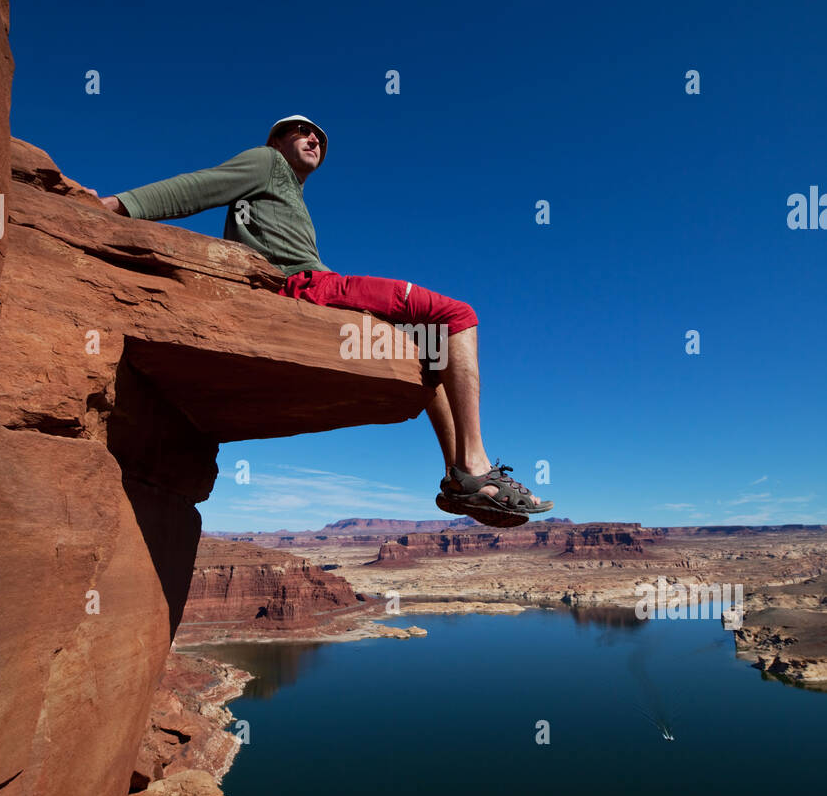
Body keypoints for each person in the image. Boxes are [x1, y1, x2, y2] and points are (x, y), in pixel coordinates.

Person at [85, 115, 553, 527]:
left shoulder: (288, 192)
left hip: (314, 283)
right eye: (301, 132)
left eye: (320, 138)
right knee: (456, 314)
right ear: (278, 142)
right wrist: (116, 205)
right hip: (306, 287)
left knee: (429, 346)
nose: (313, 139)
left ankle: (458, 477)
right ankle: (474, 462)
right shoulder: (265, 163)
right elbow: (199, 185)